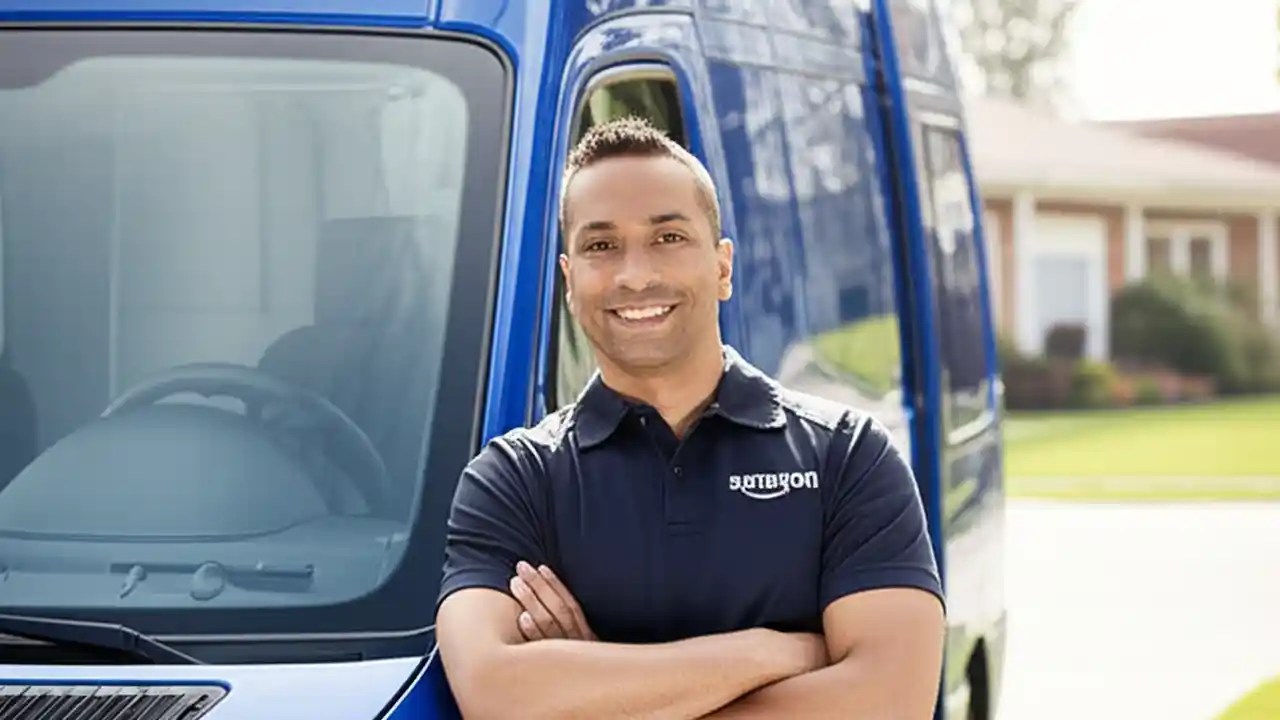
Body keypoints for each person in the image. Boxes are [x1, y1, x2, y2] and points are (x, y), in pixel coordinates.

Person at [435, 117, 946, 719]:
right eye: (601, 246)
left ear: (723, 267)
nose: (635, 274)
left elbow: (889, 702)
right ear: (570, 283)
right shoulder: (514, 480)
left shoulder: (849, 458)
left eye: (668, 238)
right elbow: (496, 695)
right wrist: (765, 653)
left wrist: (602, 696)